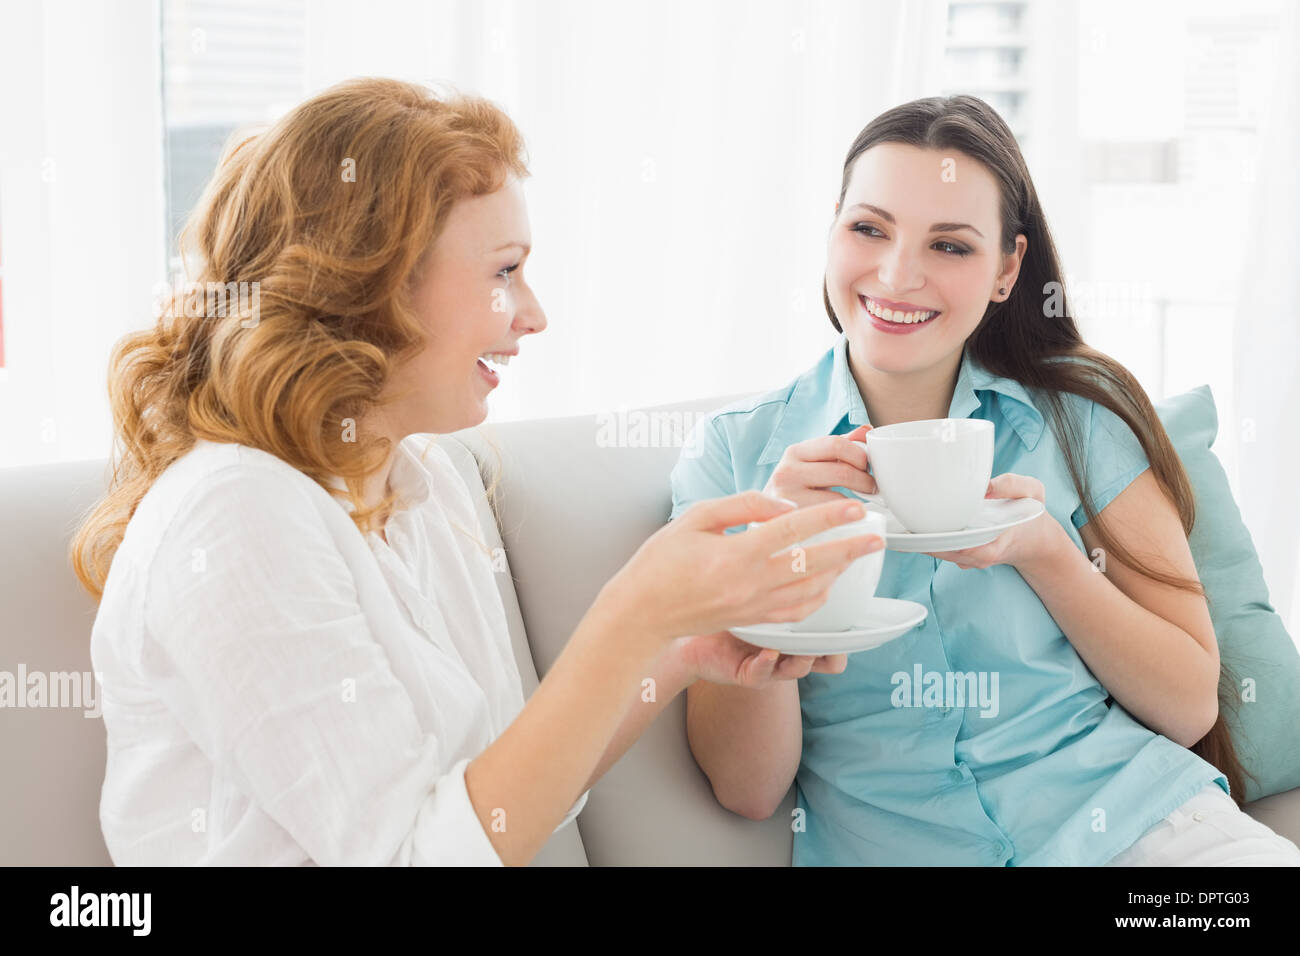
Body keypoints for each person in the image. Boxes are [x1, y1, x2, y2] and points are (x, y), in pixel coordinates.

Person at [71, 76, 884, 867]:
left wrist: (680, 651)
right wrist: (631, 614)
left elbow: (492, 806)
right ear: (371, 284)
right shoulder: (234, 519)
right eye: (503, 272)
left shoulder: (423, 482)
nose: (532, 315)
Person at [674, 94, 1300, 866]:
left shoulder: (1080, 416)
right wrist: (771, 569)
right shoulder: (735, 459)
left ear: (1008, 269)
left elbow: (1188, 701)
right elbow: (749, 788)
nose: (898, 274)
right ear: (832, 229)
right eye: (869, 228)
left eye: (951, 246)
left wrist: (1048, 554)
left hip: (1144, 830)